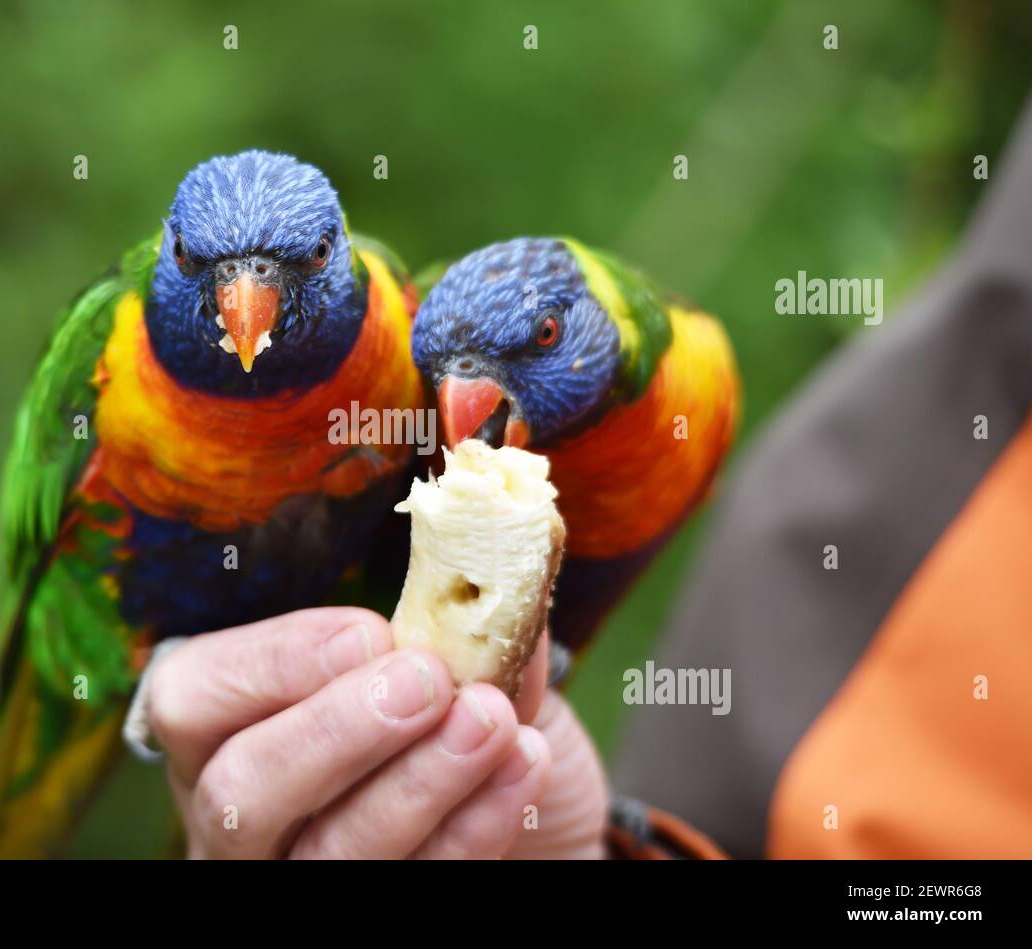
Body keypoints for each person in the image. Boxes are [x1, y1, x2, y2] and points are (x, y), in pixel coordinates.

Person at [132, 100, 1032, 860]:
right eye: (451, 388)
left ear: (595, 327)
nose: (467, 425)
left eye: (545, 348)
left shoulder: (701, 390)